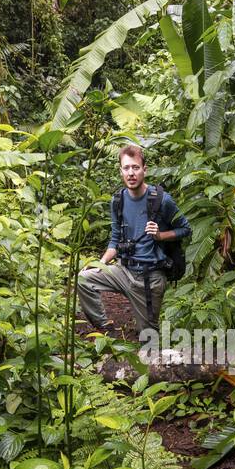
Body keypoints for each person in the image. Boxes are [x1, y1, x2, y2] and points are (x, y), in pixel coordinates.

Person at [77, 143, 192, 338]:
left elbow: (185, 229)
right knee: (84, 279)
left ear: (144, 170)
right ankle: (105, 328)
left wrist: (160, 236)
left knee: (147, 337)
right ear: (121, 171)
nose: (131, 173)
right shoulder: (117, 201)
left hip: (151, 278)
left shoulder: (162, 200)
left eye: (135, 167)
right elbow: (115, 240)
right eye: (126, 168)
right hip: (124, 271)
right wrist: (101, 264)